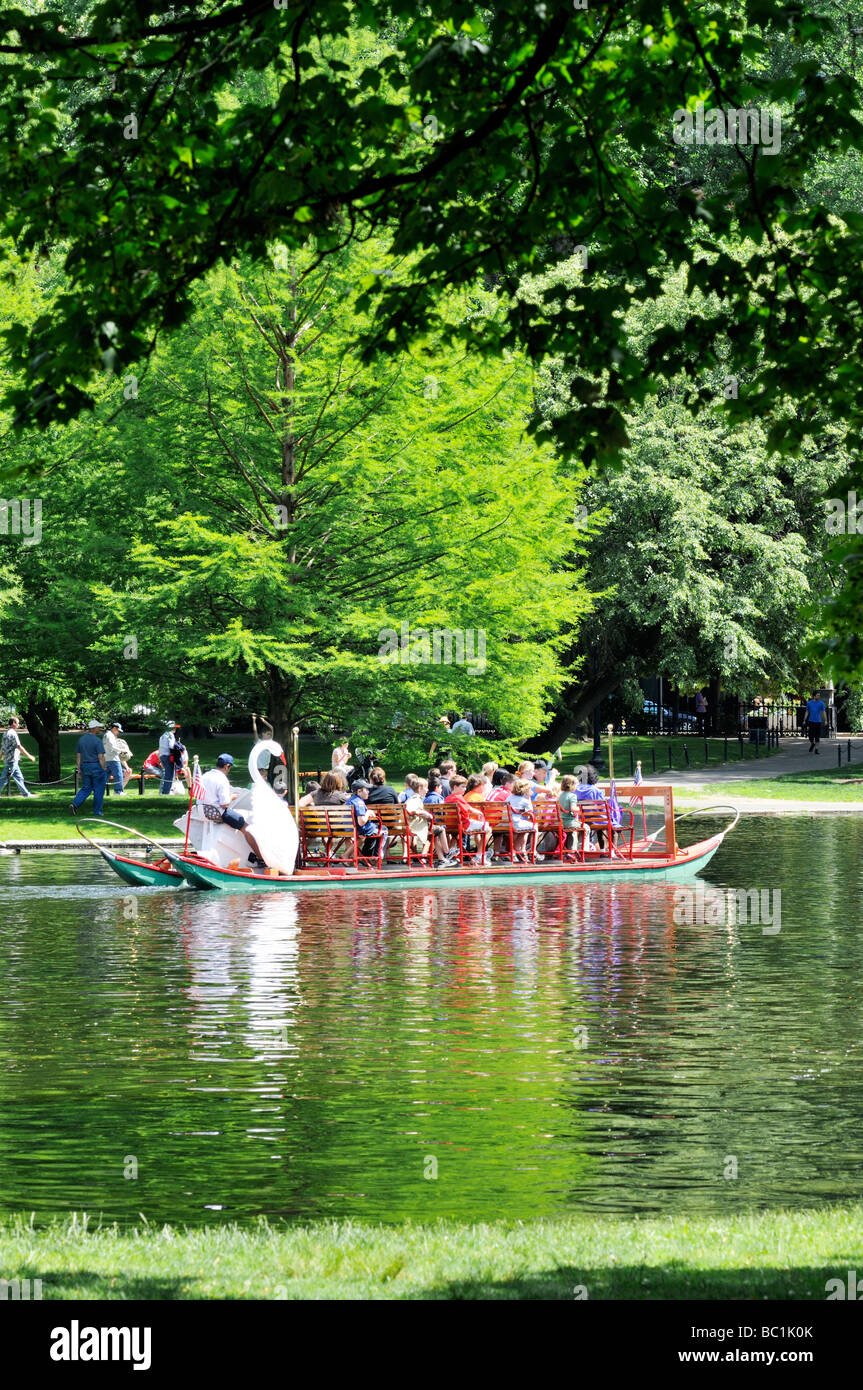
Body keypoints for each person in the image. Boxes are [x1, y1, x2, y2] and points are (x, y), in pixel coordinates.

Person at [200, 753, 266, 865]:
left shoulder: (205, 776)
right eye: (229, 767)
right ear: (226, 766)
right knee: (247, 828)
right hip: (218, 813)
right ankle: (261, 859)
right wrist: (233, 796)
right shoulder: (222, 779)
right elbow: (224, 804)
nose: (228, 770)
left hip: (203, 811)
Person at [445, 774, 492, 863]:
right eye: (462, 787)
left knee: (455, 835)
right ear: (455, 787)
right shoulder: (458, 797)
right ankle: (479, 854)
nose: (465, 789)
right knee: (488, 829)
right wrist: (479, 812)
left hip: (451, 825)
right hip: (463, 825)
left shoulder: (447, 798)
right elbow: (469, 809)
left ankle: (450, 853)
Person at [70, 719, 108, 816]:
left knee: (86, 788)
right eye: (98, 727)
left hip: (85, 766)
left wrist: (78, 769)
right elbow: (101, 757)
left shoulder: (81, 740)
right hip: (96, 766)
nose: (100, 729)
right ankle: (97, 811)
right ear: (94, 728)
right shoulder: (97, 741)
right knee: (99, 789)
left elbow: (78, 756)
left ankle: (74, 804)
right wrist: (104, 768)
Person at [346, 778, 388, 858]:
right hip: (358, 829)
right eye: (366, 790)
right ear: (359, 791)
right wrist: (368, 813)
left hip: (348, 829)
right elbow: (361, 822)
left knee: (374, 829)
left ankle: (366, 856)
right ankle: (377, 856)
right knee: (383, 829)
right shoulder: (359, 802)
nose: (368, 792)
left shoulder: (350, 801)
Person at [0, 716, 36, 797]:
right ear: (13, 723)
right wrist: (29, 756)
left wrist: (0, 756)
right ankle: (26, 794)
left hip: (10, 759)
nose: (18, 724)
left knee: (19, 778)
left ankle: (26, 794)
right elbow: (19, 746)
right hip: (12, 760)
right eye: (17, 723)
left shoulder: (5, 733)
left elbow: (2, 747)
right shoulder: (13, 733)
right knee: (4, 778)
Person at [505, 777, 536, 861]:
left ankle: (514, 850)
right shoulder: (524, 800)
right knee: (534, 827)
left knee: (523, 830)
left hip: (506, 822)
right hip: (515, 823)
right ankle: (533, 851)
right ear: (526, 790)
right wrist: (528, 798)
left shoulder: (510, 797)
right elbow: (531, 812)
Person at [103, 720, 127, 797]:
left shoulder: (106, 735)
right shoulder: (110, 735)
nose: (118, 732)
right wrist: (121, 751)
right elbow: (112, 746)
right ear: (113, 728)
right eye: (118, 730)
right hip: (113, 758)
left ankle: (99, 790)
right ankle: (118, 791)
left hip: (106, 758)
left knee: (105, 776)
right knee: (119, 775)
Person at [557, 774, 580, 853]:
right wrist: (579, 809)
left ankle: (568, 850)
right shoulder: (572, 796)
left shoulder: (560, 795)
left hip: (560, 821)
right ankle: (579, 850)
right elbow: (573, 808)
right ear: (572, 785)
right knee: (586, 828)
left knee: (570, 831)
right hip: (569, 822)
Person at [158, 721, 181, 794]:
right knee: (170, 775)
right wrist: (178, 744)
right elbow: (171, 746)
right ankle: (166, 792)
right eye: (174, 727)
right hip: (168, 756)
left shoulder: (162, 735)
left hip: (162, 756)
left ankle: (166, 791)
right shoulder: (170, 735)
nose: (175, 729)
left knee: (168, 774)